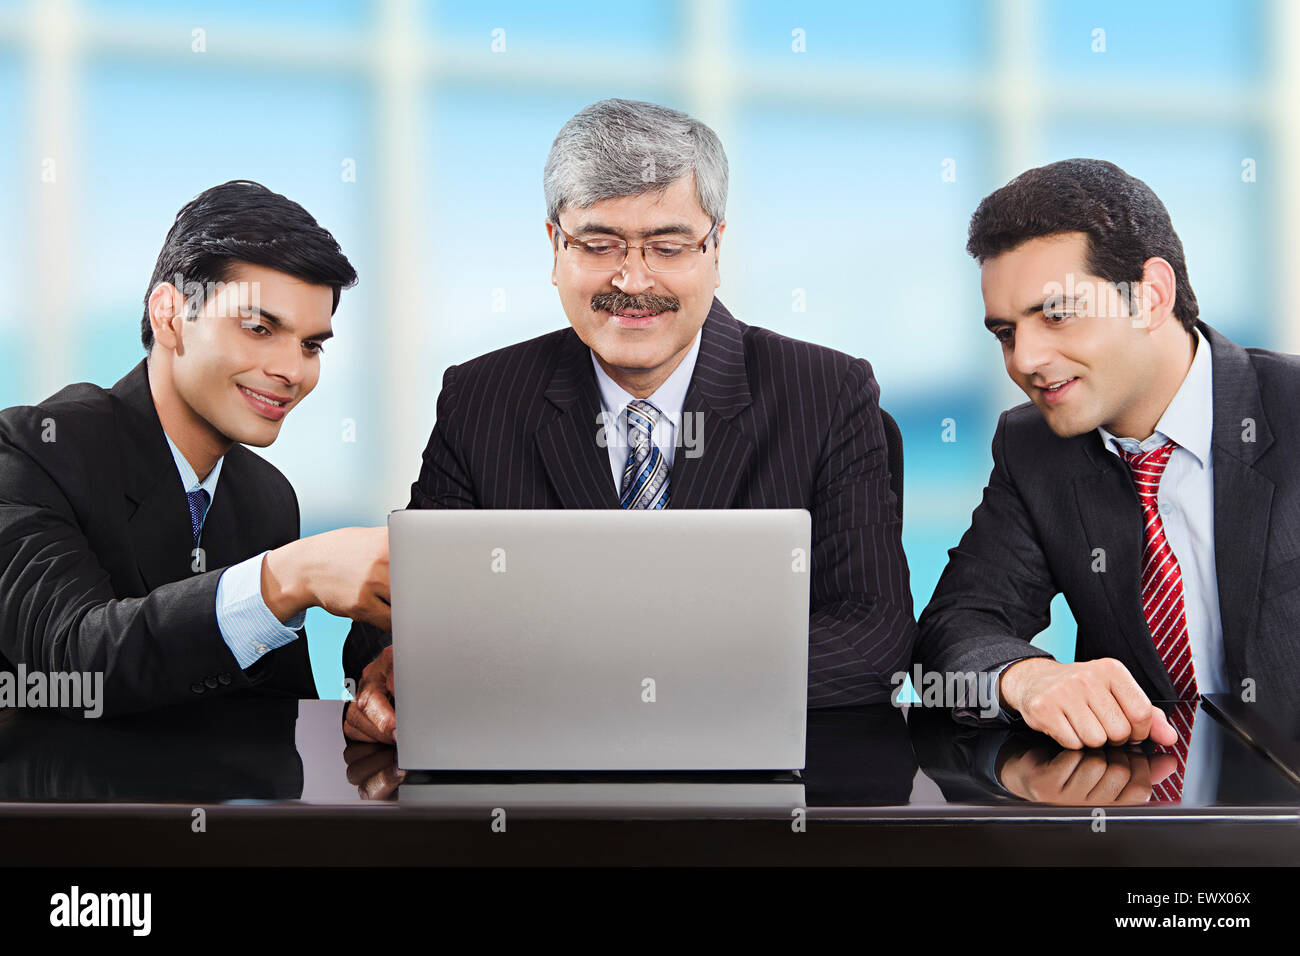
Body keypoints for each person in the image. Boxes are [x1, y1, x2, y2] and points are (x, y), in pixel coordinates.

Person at [342, 98, 916, 744]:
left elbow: (875, 637)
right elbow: (395, 617)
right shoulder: (482, 397)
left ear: (715, 247)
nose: (634, 280)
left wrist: (641, 688)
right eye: (598, 243)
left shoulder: (827, 393)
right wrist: (389, 672)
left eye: (668, 247)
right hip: (535, 786)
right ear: (554, 245)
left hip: (758, 788)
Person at [916, 158, 1300, 757]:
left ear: (1150, 296)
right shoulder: (1034, 449)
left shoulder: (1291, 410)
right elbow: (954, 629)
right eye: (1005, 333)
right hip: (1142, 818)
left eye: (1057, 315)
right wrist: (1025, 677)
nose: (1025, 360)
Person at [0, 180, 391, 719]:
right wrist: (286, 580)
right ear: (169, 315)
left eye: (310, 345)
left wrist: (366, 713)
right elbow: (76, 664)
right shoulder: (35, 449)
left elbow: (280, 716)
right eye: (258, 328)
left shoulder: (267, 497)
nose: (291, 371)